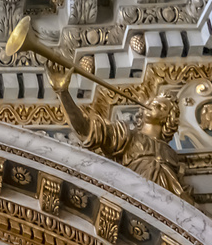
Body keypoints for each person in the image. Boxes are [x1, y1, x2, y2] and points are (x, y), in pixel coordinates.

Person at [47, 62, 192, 202]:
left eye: (161, 107)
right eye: (153, 103)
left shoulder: (171, 154)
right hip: (136, 200)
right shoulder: (126, 136)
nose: (154, 106)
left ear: (167, 118)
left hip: (168, 207)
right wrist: (63, 92)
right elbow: (87, 129)